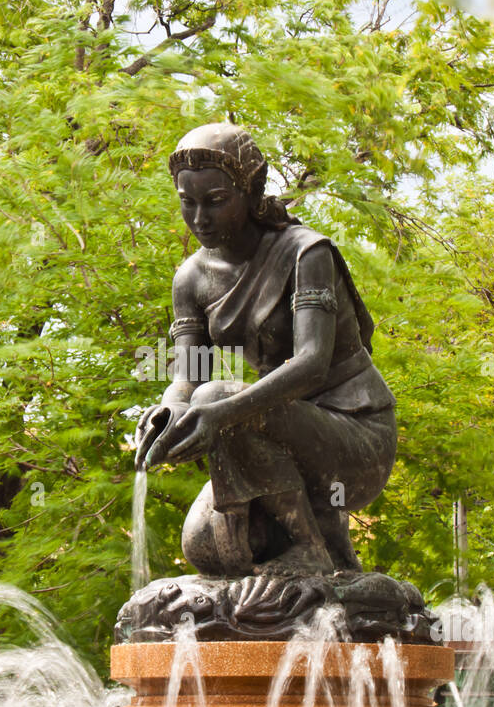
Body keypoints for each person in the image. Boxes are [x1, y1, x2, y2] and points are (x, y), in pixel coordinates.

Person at [136, 122, 397, 578]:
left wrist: (220, 413)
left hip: (354, 435)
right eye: (187, 202)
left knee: (217, 399)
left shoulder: (305, 253)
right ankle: (331, 548)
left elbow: (312, 364)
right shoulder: (190, 279)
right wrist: (167, 413)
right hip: (274, 430)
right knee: (205, 546)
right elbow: (189, 376)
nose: (200, 219)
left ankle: (309, 549)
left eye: (215, 201)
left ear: (250, 191)